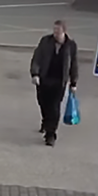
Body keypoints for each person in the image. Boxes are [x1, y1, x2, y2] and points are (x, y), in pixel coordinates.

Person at [30, 19, 78, 147]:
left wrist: (73, 83)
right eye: (54, 30)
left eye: (58, 30)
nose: (55, 33)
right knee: (43, 103)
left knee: (55, 107)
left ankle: (51, 134)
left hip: (59, 82)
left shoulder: (70, 46)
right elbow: (37, 58)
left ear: (64, 31)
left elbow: (74, 65)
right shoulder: (45, 41)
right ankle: (45, 121)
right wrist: (35, 74)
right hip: (44, 79)